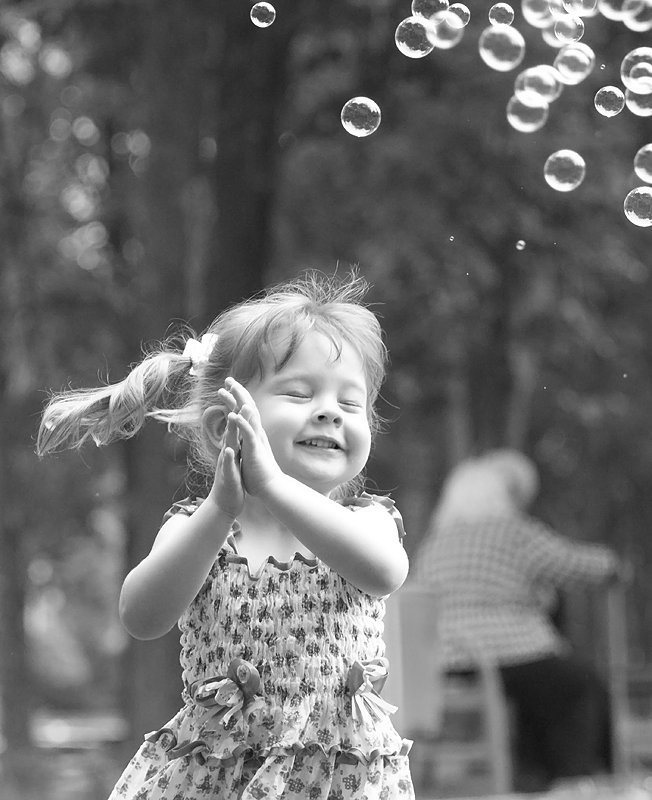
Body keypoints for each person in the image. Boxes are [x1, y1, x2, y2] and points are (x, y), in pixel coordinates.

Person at [37, 271, 414, 799]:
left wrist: (275, 486)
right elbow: (141, 617)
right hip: (218, 778)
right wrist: (217, 512)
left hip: (337, 779)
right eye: (299, 393)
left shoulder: (367, 520)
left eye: (351, 404)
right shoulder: (199, 527)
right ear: (225, 426)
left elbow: (384, 573)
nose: (330, 411)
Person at [410, 449, 622, 792]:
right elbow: (572, 563)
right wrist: (613, 565)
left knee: (540, 689)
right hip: (508, 651)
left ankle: (531, 775)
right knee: (580, 684)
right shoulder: (512, 533)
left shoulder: (435, 543)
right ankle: (576, 778)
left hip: (449, 660)